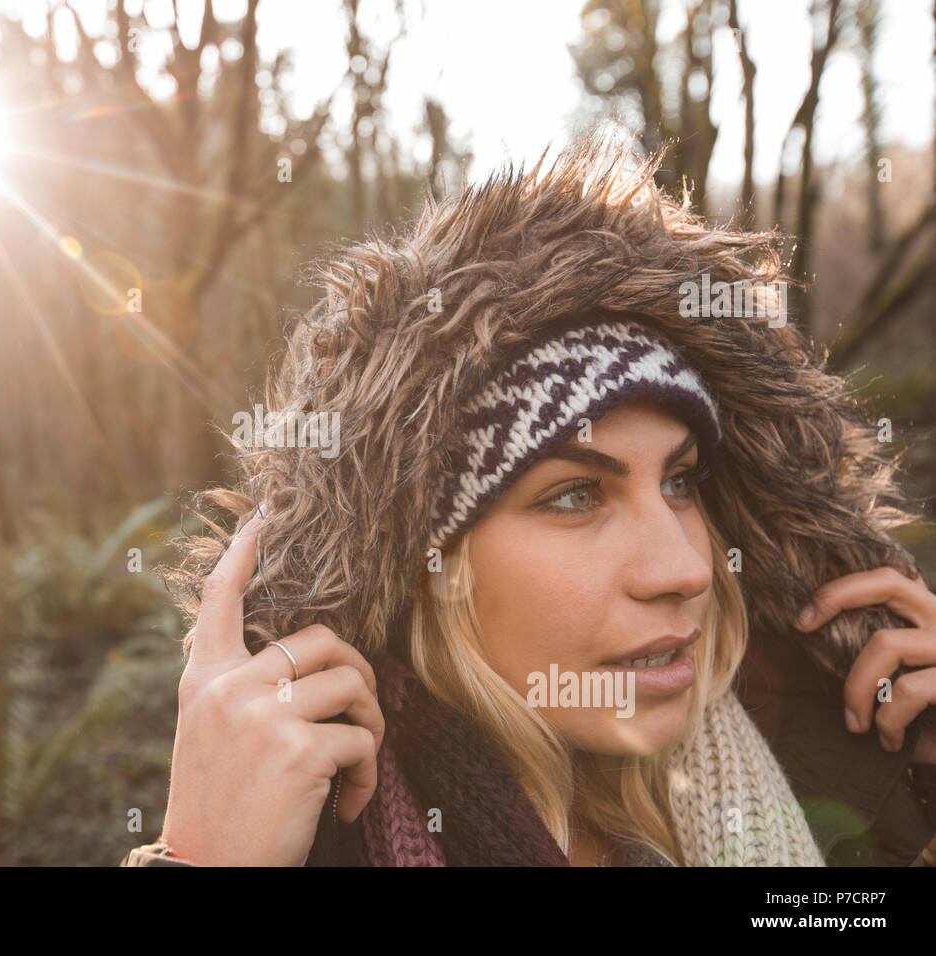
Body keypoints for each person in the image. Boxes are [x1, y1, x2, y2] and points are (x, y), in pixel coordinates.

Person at [120, 131, 936, 867]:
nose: (685, 567)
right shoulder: (310, 839)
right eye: (577, 495)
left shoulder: (841, 777)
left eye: (681, 482)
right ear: (421, 561)